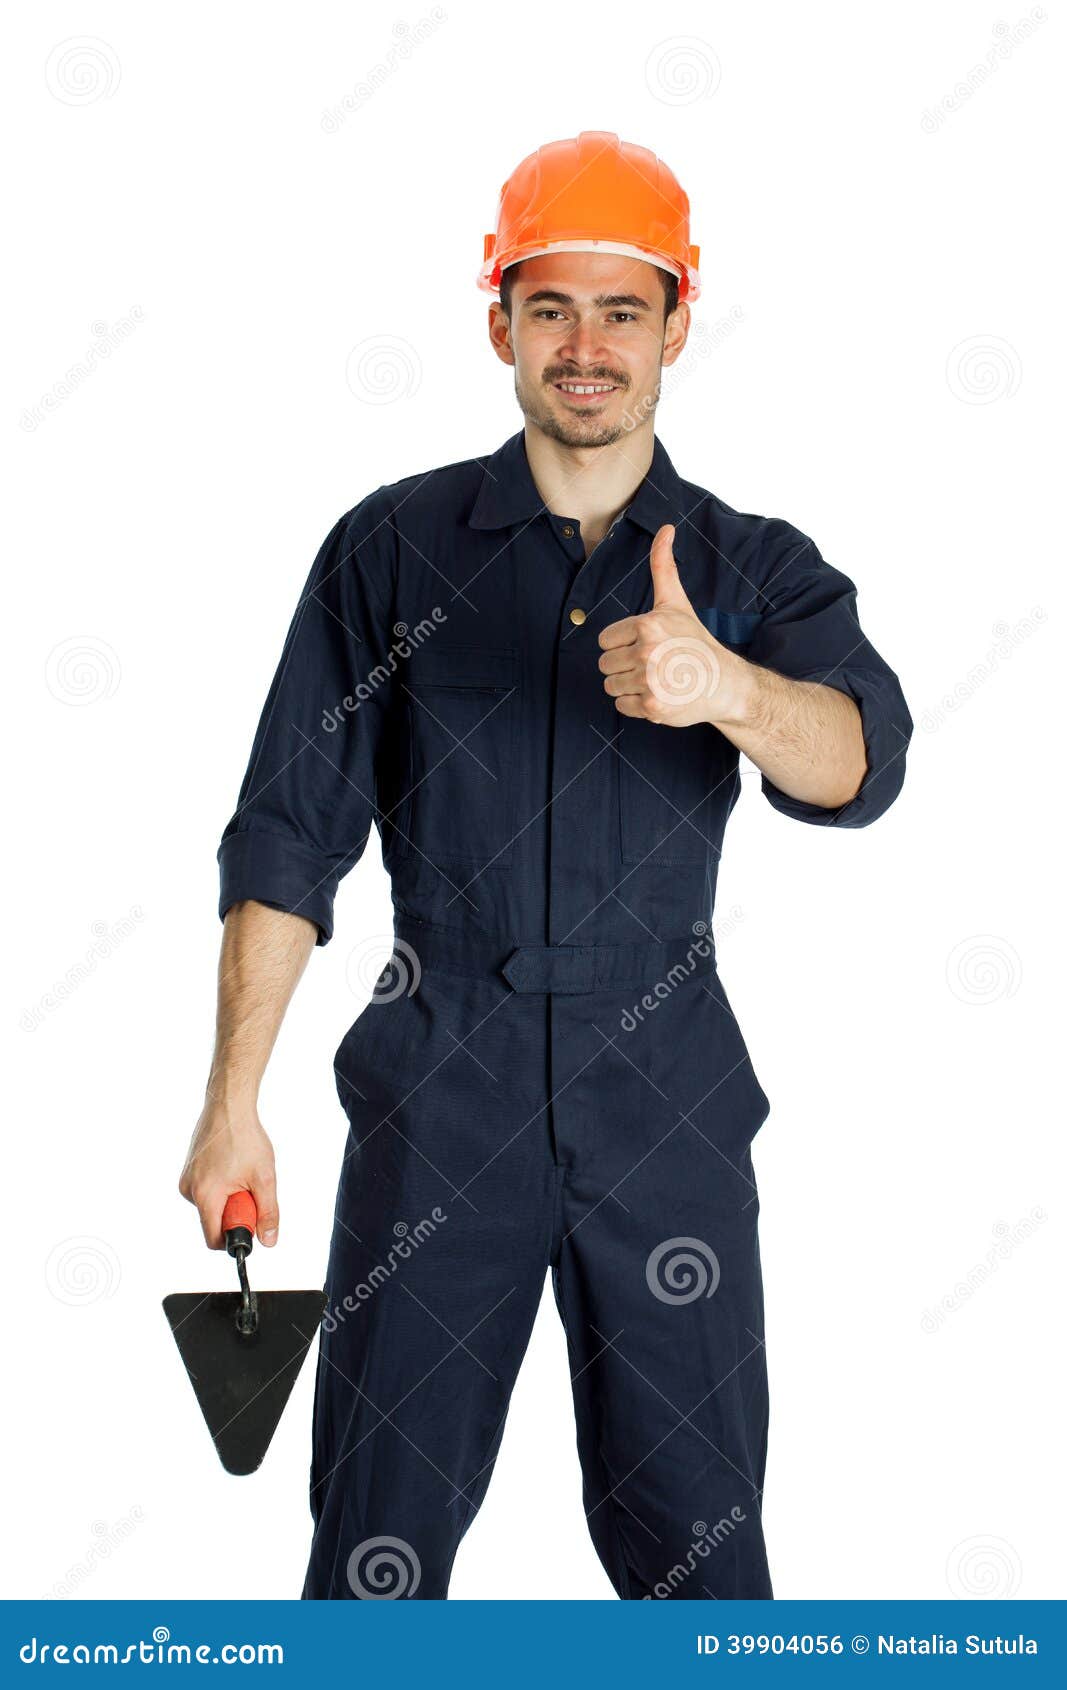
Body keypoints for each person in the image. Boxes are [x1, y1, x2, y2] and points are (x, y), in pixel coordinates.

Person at [179, 132, 912, 1600]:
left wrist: (733, 691)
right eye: (552, 306)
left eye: (623, 310)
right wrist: (231, 1101)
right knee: (376, 1553)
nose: (588, 347)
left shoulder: (749, 563)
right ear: (499, 319)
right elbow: (288, 832)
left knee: (705, 1561)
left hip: (667, 1099)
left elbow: (863, 759)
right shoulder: (388, 551)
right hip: (442, 1090)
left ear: (679, 325)